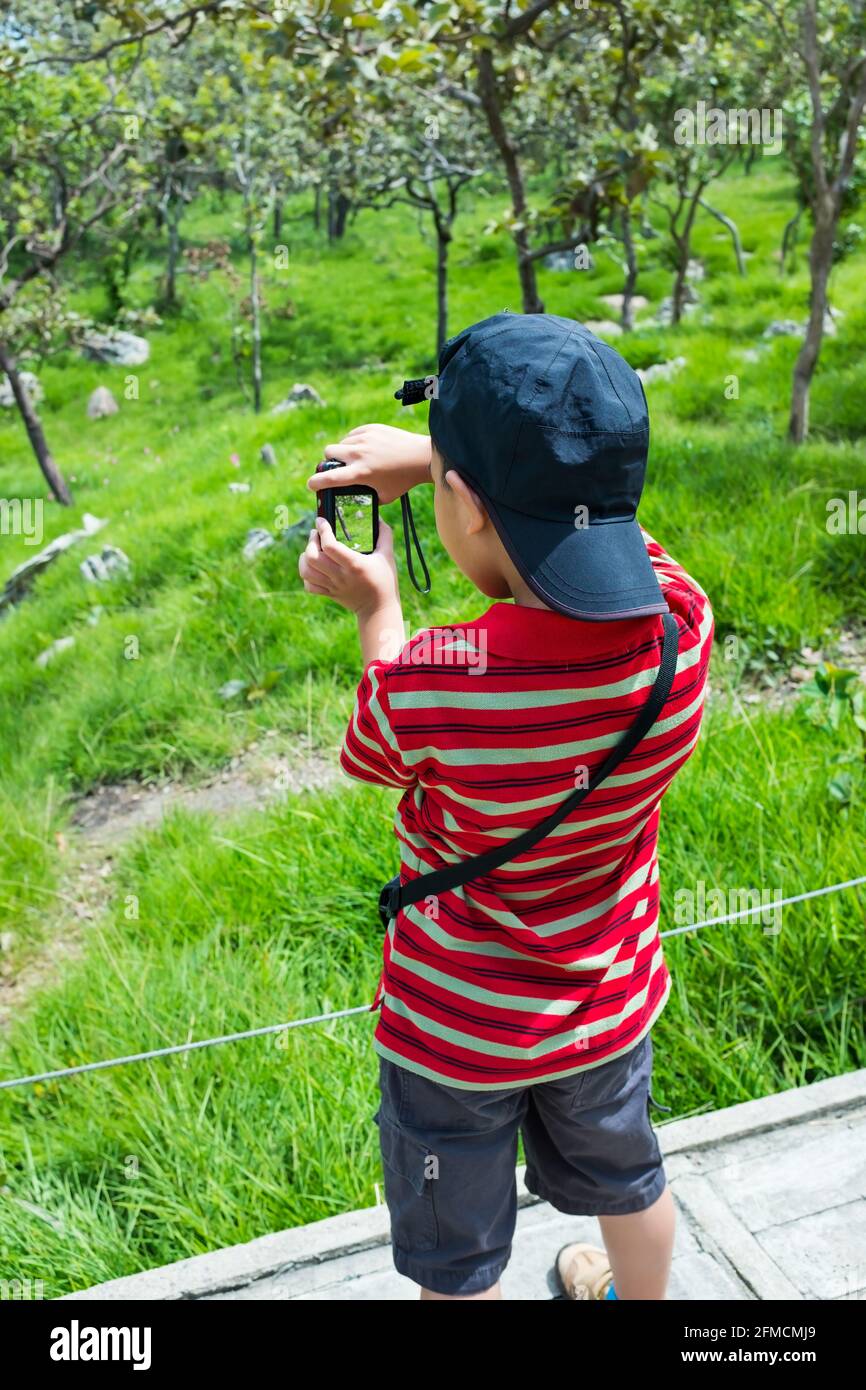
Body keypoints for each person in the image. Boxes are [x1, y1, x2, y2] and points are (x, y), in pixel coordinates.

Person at [300, 311, 714, 1301]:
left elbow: (370, 753)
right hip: (605, 1003)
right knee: (629, 1175)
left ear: (465, 507)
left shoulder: (433, 680)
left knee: (458, 1247)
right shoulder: (681, 629)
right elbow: (597, 505)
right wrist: (452, 460)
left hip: (454, 1030)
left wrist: (378, 614)